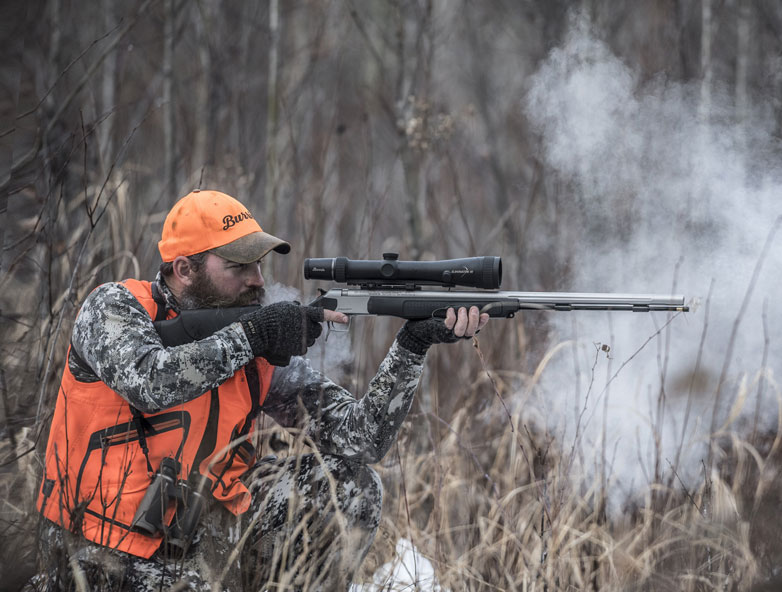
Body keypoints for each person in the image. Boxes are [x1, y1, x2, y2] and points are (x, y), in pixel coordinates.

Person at [31, 189, 488, 591]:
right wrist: (254, 335)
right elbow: (149, 381)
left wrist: (411, 346)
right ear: (185, 269)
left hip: (198, 543)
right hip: (95, 552)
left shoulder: (254, 339)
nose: (259, 280)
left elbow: (362, 438)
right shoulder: (114, 306)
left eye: (259, 264)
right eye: (239, 266)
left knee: (350, 487)